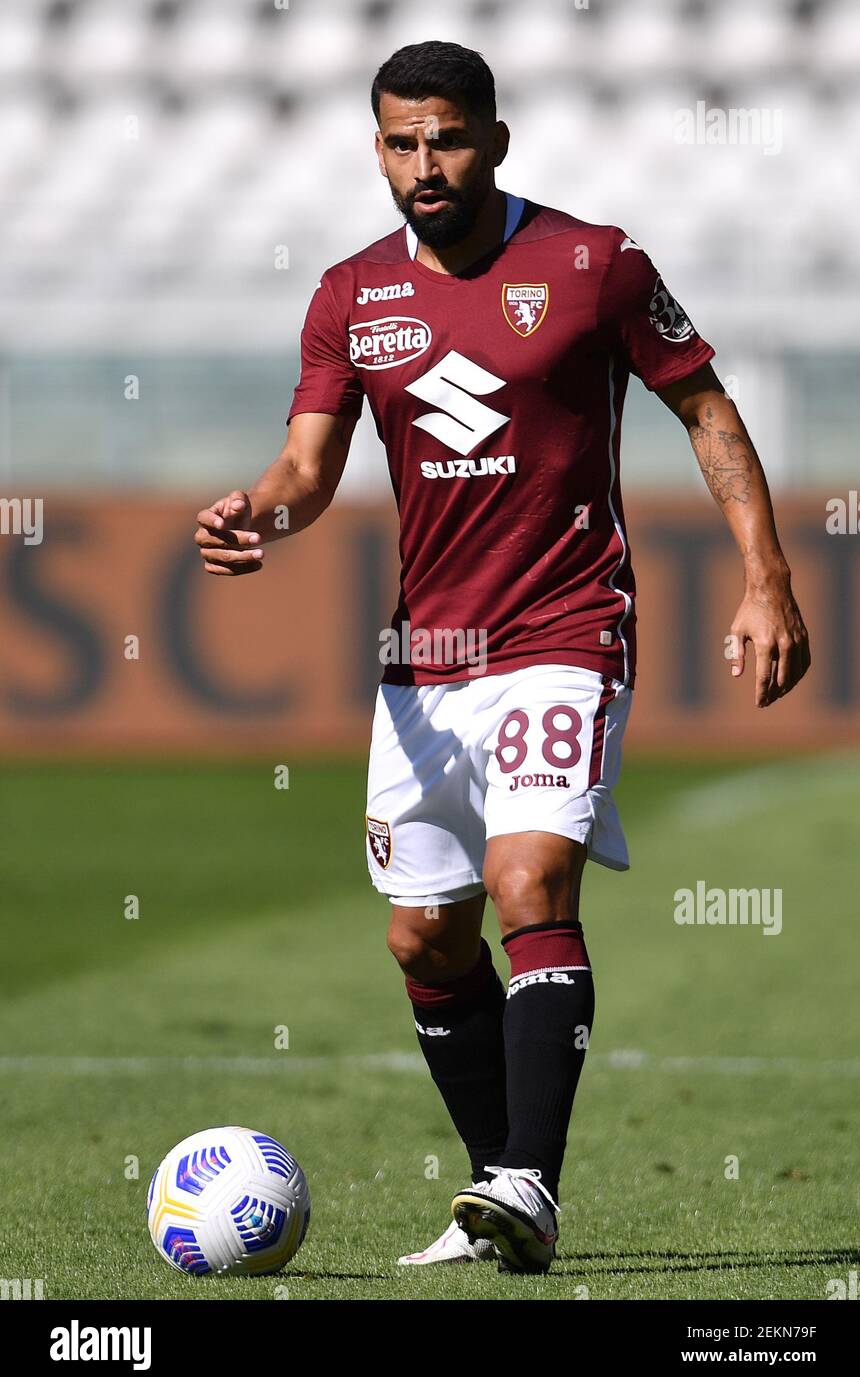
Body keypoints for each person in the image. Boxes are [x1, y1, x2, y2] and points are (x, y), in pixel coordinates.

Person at [193, 41, 810, 1274]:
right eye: (399, 142)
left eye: (448, 138)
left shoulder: (593, 264)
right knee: (422, 940)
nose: (425, 164)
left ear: (496, 139)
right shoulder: (347, 297)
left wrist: (765, 575)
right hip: (427, 656)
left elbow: (704, 406)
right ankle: (497, 1192)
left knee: (530, 881)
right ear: (376, 147)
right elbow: (309, 471)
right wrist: (254, 512)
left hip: (564, 627)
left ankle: (530, 1178)